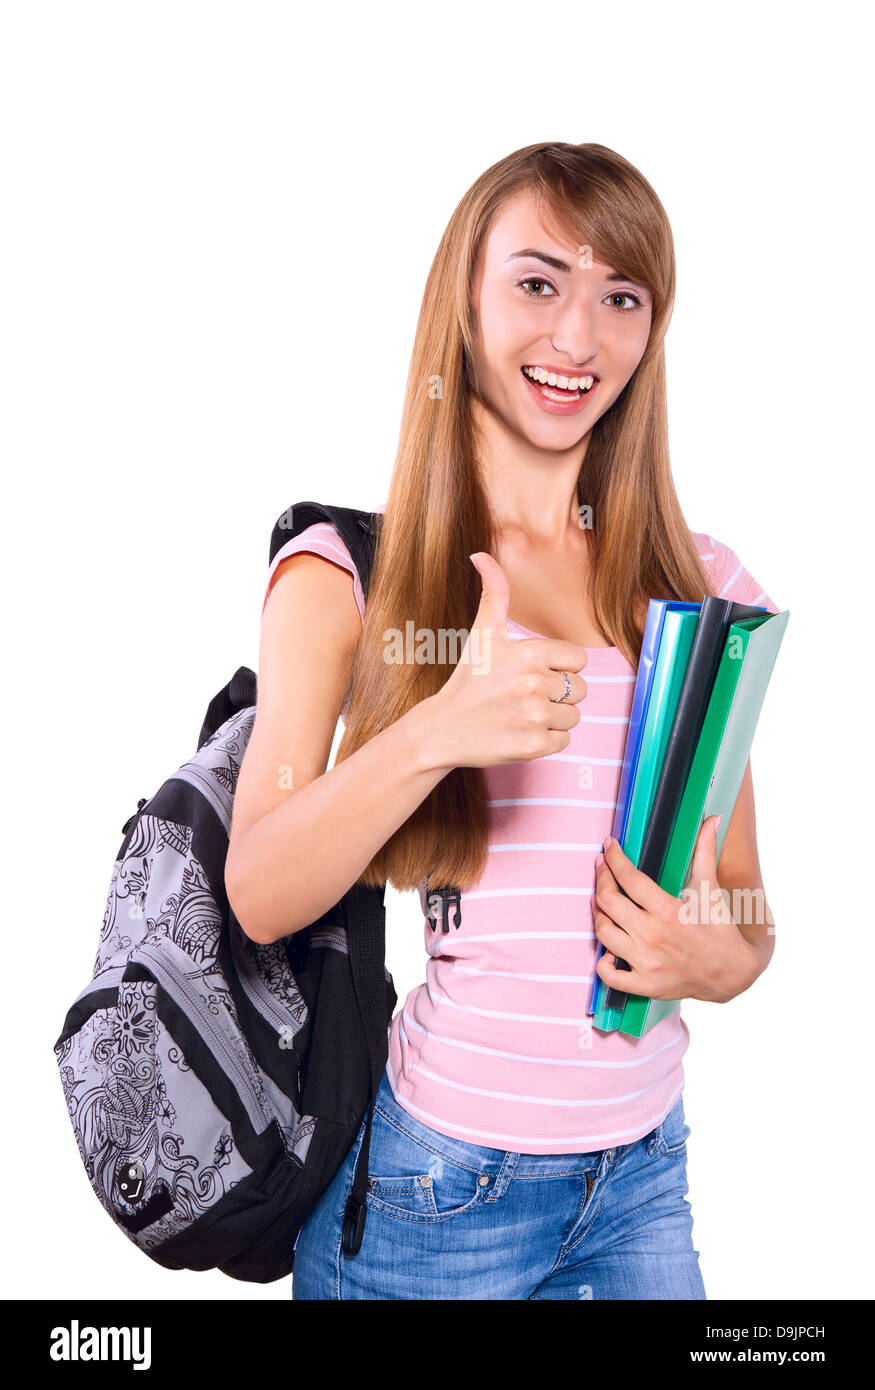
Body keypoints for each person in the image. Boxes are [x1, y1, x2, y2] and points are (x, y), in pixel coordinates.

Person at [225, 141, 779, 1300]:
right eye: (537, 283)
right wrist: (435, 730)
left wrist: (715, 960)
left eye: (619, 297)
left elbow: (740, 899)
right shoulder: (347, 577)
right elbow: (261, 886)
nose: (577, 339)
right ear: (462, 302)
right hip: (435, 1201)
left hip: (640, 1179)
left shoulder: (703, 591)